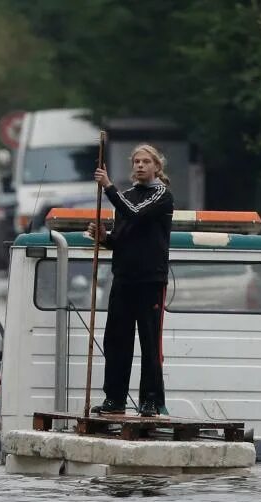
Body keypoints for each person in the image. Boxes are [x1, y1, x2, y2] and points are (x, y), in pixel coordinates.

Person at [86, 144, 174, 417]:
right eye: (136, 161)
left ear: (156, 167)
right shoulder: (124, 196)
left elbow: (135, 213)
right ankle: (115, 398)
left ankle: (150, 399)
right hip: (123, 277)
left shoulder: (162, 195)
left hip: (150, 280)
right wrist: (104, 238)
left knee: (149, 342)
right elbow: (122, 236)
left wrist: (108, 186)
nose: (140, 165)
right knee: (116, 340)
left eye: (146, 161)